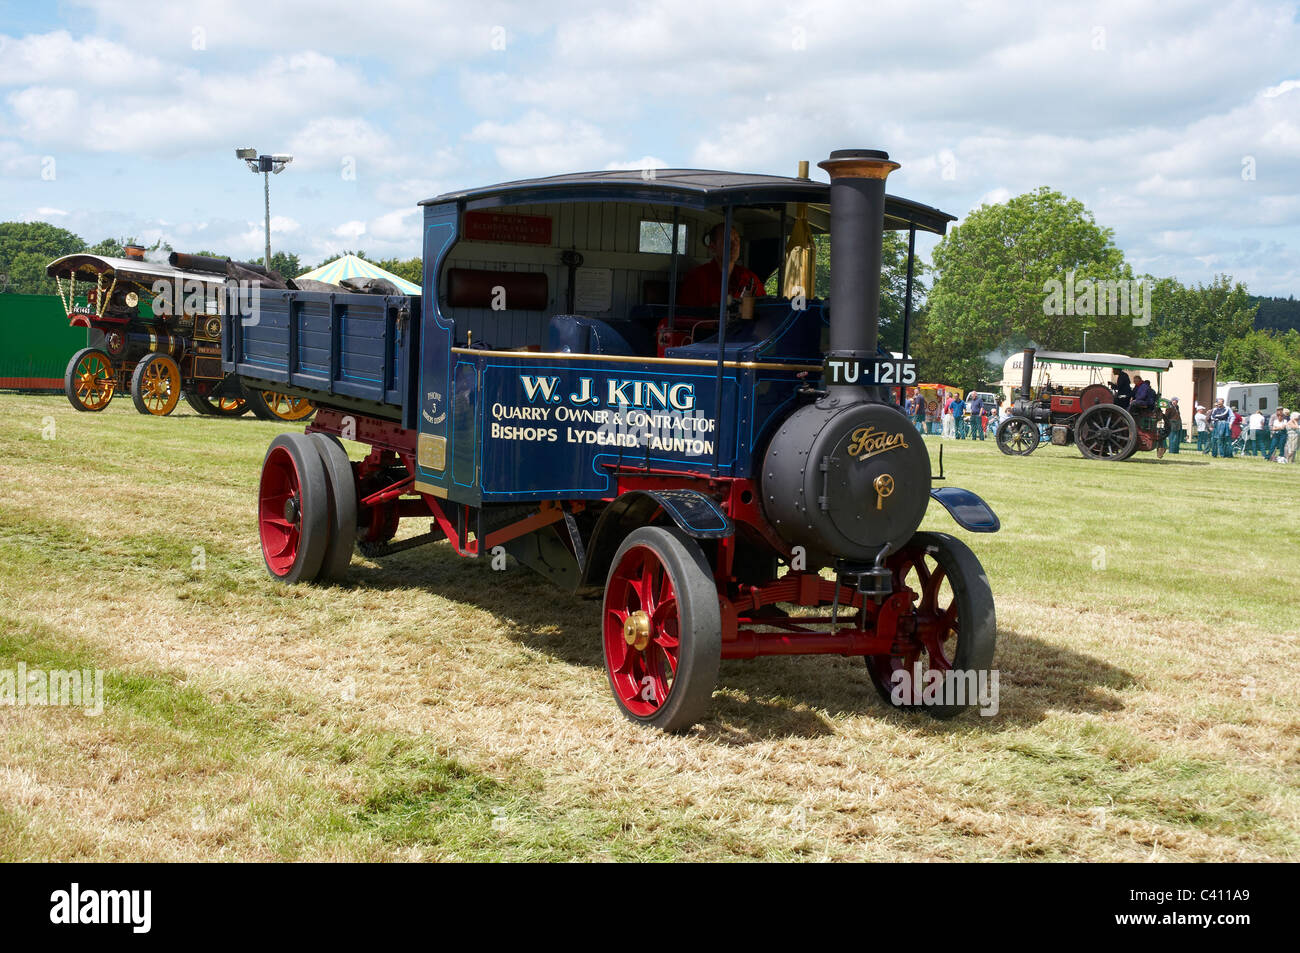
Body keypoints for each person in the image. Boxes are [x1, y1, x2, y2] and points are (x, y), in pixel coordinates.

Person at [676, 223, 767, 309]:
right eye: (728, 240)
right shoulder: (696, 278)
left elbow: (764, 309)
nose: (734, 245)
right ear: (712, 247)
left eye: (737, 240)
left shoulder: (750, 278)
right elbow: (687, 317)